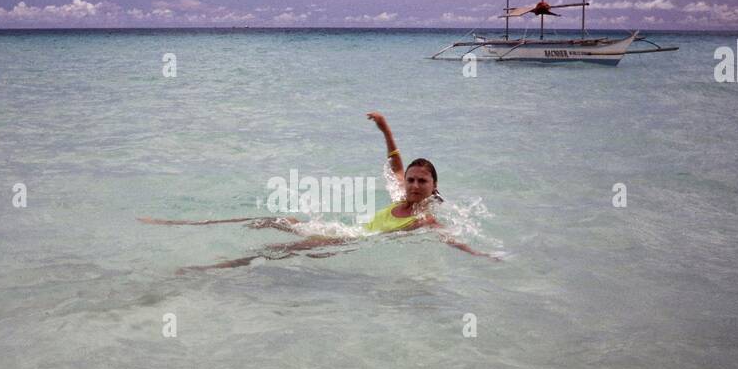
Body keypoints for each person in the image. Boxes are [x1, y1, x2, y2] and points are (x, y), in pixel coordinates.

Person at [140, 112, 498, 269]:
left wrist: (479, 256)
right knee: (275, 219)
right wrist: (385, 128)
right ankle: (187, 225)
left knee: (285, 248)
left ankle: (218, 268)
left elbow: (452, 239)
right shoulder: (398, 199)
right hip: (345, 232)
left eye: (423, 181)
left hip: (350, 244)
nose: (415, 184)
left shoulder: (424, 219)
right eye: (413, 180)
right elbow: (394, 164)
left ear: (434, 186)